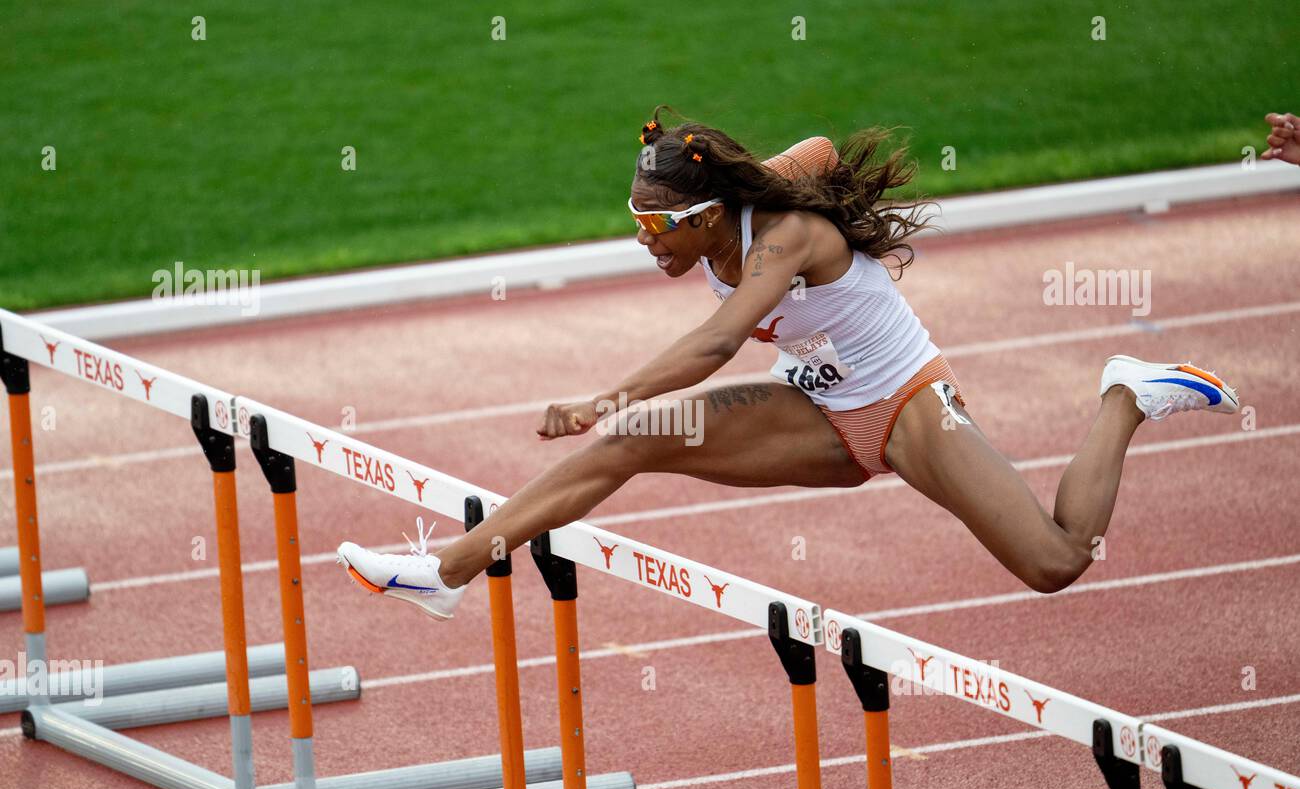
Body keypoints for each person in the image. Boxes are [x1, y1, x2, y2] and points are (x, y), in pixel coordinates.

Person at [336, 106, 1238, 620]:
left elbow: (719, 342)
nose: (646, 241)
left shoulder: (789, 238)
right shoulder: (729, 207)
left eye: (657, 226)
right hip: (819, 412)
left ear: (705, 215)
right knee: (632, 444)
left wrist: (601, 395)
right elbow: (811, 148)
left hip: (906, 404)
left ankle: (1125, 393)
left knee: (1053, 560)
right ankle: (447, 572)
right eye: (635, 220)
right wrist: (767, 168)